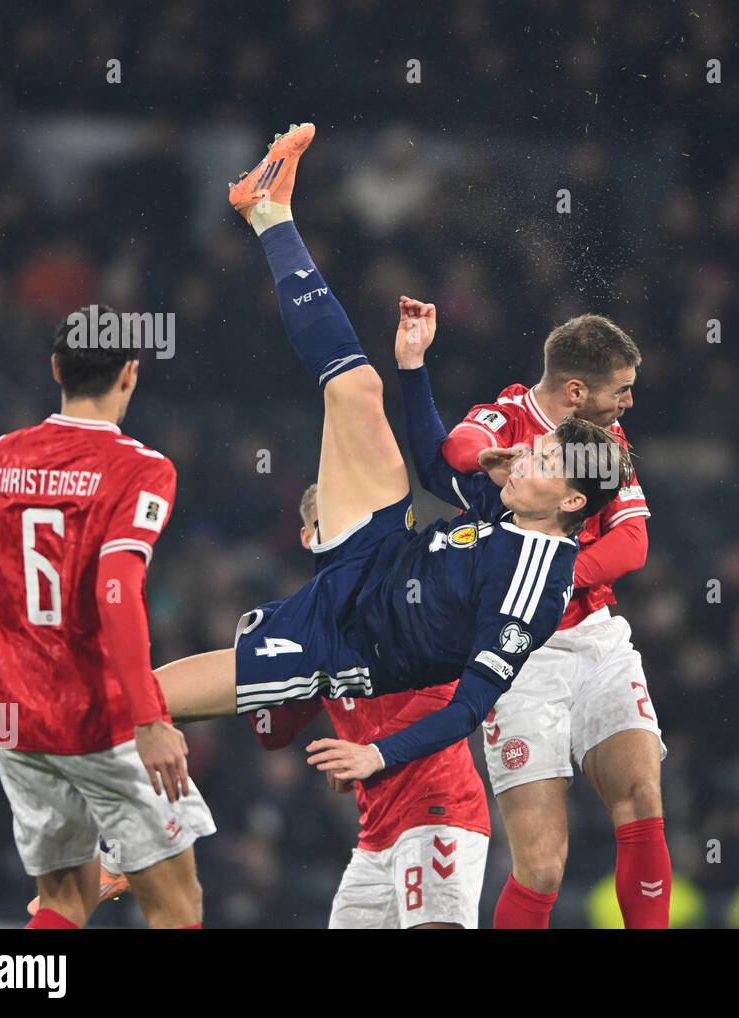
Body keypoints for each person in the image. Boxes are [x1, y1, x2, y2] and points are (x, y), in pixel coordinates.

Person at [153, 123, 632, 783]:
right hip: (379, 546)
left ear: (574, 501)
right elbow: (437, 467)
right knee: (357, 386)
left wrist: (376, 755)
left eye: (543, 463)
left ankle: (108, 807)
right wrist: (414, 367)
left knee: (143, 702)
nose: (525, 460)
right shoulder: (516, 500)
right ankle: (267, 211)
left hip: (341, 636)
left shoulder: (535, 587)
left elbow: (469, 706)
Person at [0, 306, 214, 929]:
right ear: (130, 373)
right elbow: (115, 589)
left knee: (61, 903)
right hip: (101, 721)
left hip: (17, 717)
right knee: (176, 905)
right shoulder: (141, 468)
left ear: (56, 369)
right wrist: (151, 719)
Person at [437, 317, 670, 928]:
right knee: (541, 864)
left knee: (641, 796)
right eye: (619, 389)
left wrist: (553, 577)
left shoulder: (605, 443)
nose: (627, 401)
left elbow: (633, 543)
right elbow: (460, 442)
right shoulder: (508, 415)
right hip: (520, 655)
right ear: (574, 391)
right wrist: (486, 459)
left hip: (595, 638)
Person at [247, 483, 491, 929]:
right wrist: (254, 659)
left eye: (352, 521)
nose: (343, 534)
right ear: (308, 537)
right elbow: (271, 732)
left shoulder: (409, 591)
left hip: (437, 809)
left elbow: (446, 697)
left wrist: (368, 752)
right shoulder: (307, 622)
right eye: (330, 524)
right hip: (375, 830)